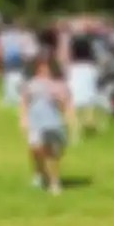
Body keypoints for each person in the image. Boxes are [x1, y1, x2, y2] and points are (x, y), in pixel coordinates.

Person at [19, 53, 73, 196]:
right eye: (40, 68)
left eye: (46, 67)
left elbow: (66, 106)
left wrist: (61, 103)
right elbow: (24, 102)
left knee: (52, 153)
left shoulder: (60, 85)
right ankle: (39, 173)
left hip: (53, 123)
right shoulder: (30, 84)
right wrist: (23, 119)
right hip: (36, 122)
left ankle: (54, 182)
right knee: (36, 149)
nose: (43, 71)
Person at [61, 24, 100, 141]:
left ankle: (74, 131)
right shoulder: (92, 67)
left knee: (70, 109)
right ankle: (89, 123)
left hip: (73, 92)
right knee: (88, 106)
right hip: (88, 93)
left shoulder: (71, 67)